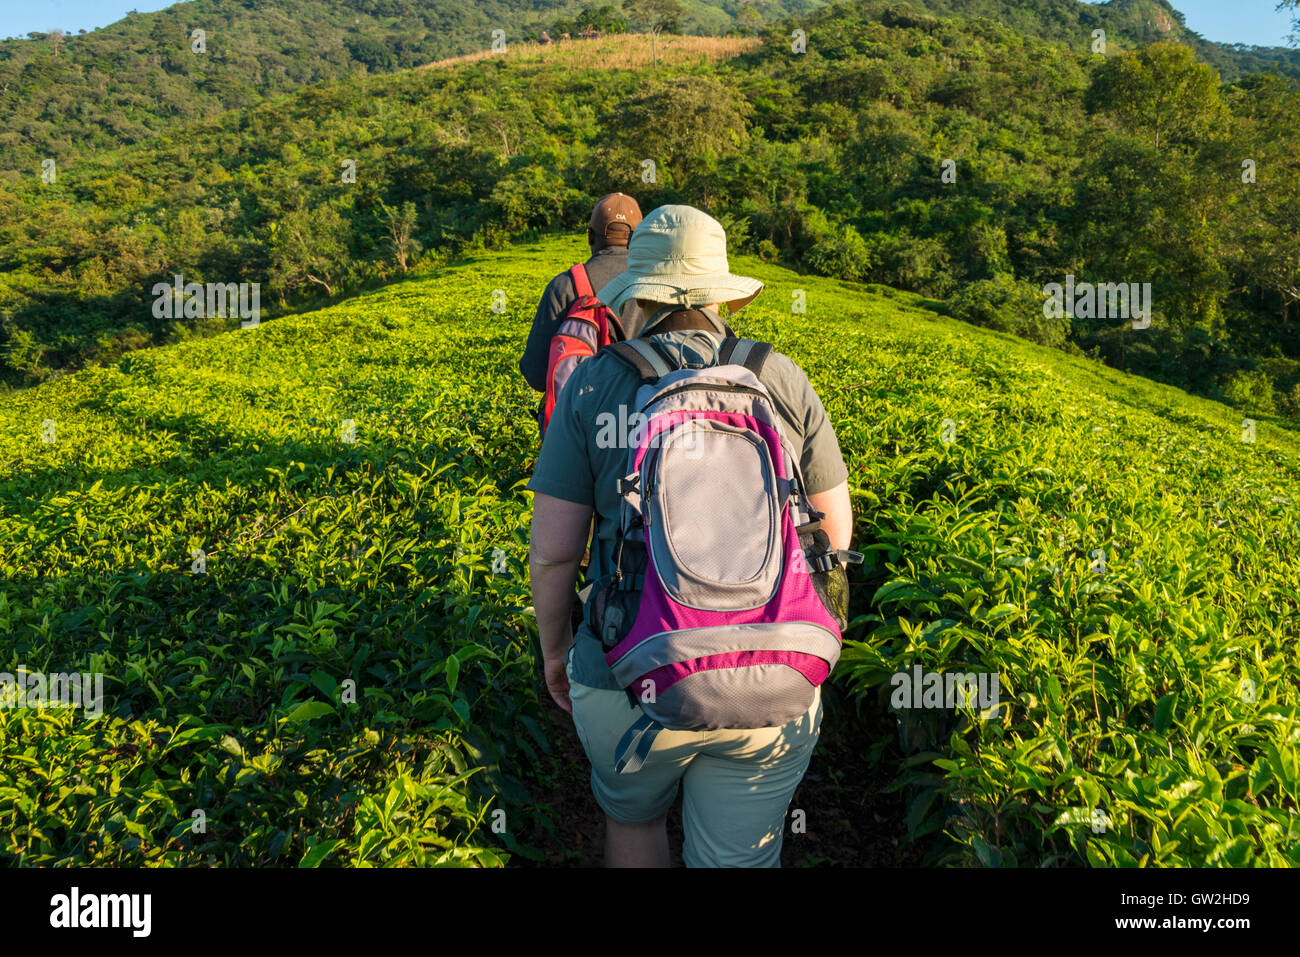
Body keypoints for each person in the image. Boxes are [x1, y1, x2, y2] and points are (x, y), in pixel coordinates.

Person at [527, 205, 853, 867]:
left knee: (635, 822)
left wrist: (557, 651)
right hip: (774, 671)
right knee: (739, 857)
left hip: (630, 670)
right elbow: (835, 532)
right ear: (721, 293)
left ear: (636, 296)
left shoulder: (595, 382)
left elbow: (555, 551)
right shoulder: (781, 377)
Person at [518, 192, 643, 395]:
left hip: (581, 421)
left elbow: (536, 375)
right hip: (647, 420)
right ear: (638, 238)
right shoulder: (659, 287)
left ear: (590, 236)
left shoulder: (565, 286)